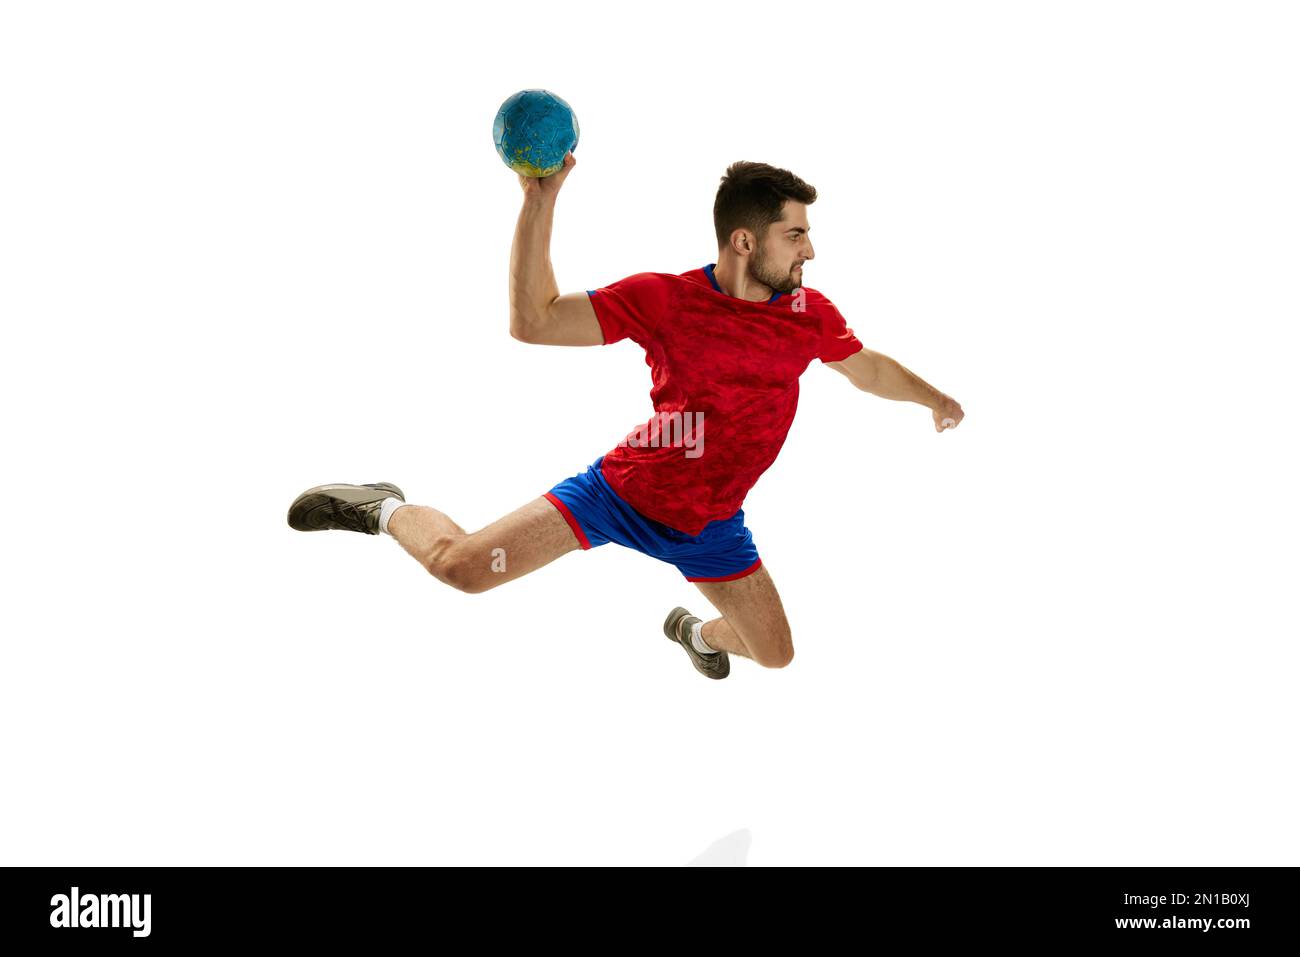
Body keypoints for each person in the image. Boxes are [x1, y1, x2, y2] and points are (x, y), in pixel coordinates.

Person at [287, 154, 964, 680]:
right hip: (619, 494)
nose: (810, 251)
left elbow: (864, 364)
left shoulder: (807, 315)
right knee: (463, 567)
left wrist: (933, 397)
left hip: (711, 526)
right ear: (744, 242)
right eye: (796, 235)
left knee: (776, 654)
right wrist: (538, 200)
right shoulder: (664, 300)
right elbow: (536, 319)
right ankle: (382, 508)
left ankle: (695, 634)